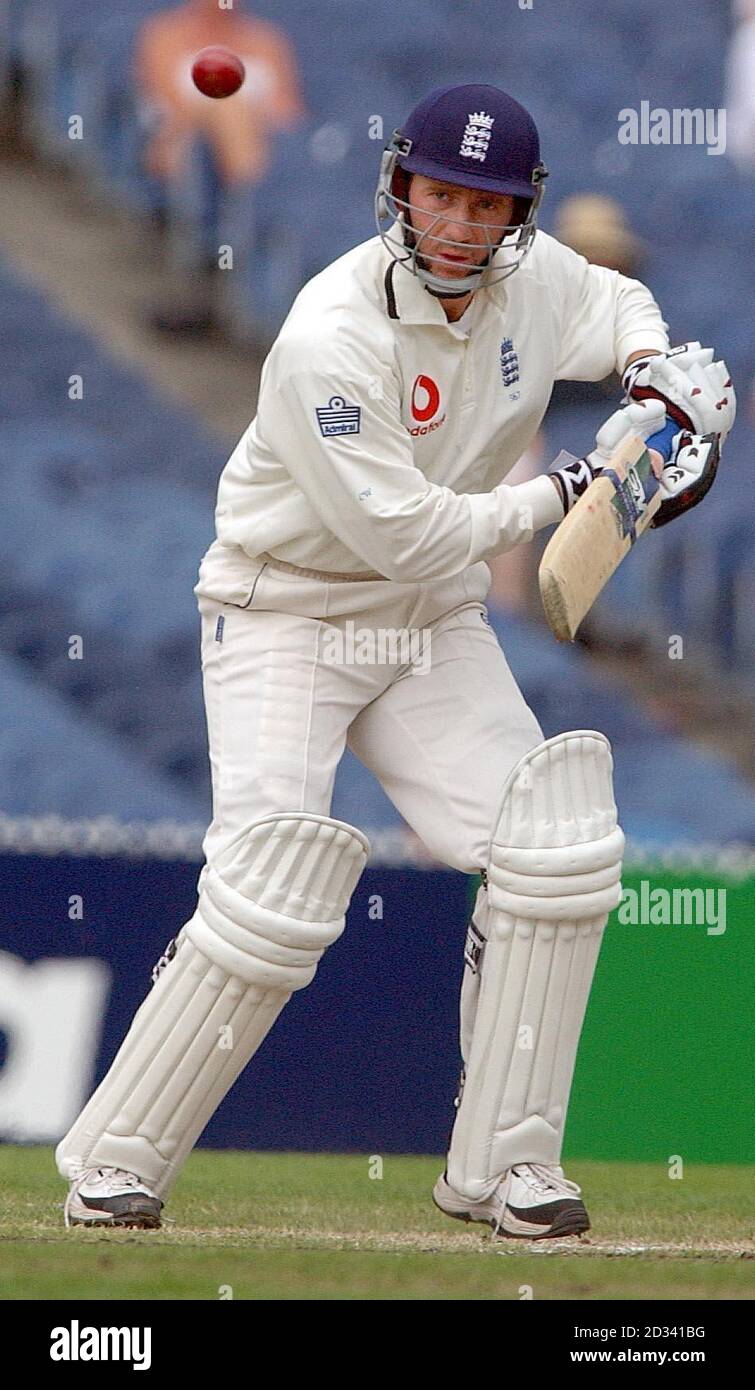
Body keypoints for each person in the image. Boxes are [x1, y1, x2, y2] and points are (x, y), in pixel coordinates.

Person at [56, 85, 734, 1237]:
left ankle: (502, 1169)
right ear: (400, 188)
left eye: (484, 202)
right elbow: (405, 528)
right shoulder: (330, 335)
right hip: (289, 611)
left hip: (423, 620)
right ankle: (116, 1163)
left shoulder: (532, 282)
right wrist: (566, 490)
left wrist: (650, 378)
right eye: (439, 193)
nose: (458, 222)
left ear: (517, 211)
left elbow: (614, 297)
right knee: (270, 890)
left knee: (554, 846)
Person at [135, 0, 304, 333]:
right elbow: (165, 104)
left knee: (235, 112)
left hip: (262, 146)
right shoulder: (164, 33)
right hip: (186, 145)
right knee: (224, 105)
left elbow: (288, 115)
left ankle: (261, 202)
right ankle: (258, 203)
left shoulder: (266, 39)